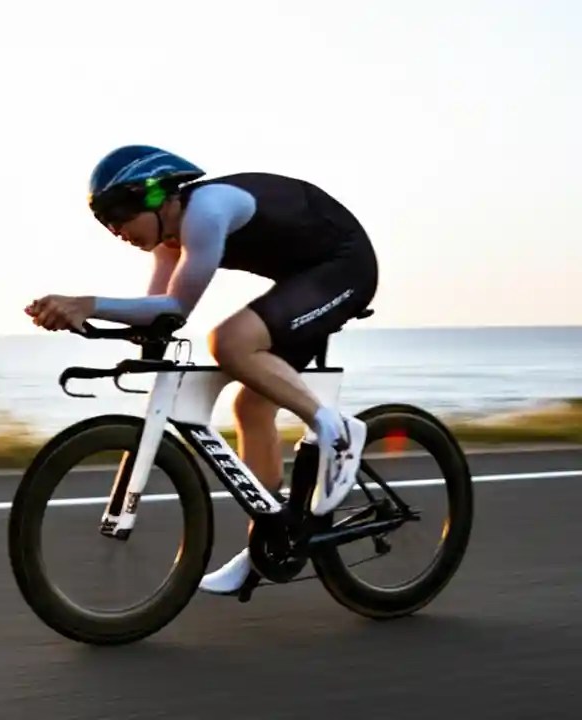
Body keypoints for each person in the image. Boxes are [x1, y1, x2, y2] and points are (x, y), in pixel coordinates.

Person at [24, 144, 378, 595]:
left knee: (229, 342)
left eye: (119, 216)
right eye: (106, 225)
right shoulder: (169, 243)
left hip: (344, 268)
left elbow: (176, 306)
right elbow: (158, 317)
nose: (116, 231)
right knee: (250, 407)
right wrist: (81, 318)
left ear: (153, 197)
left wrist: (87, 303)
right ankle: (269, 541)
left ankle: (338, 430)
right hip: (303, 281)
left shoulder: (205, 211)